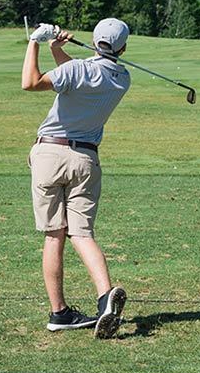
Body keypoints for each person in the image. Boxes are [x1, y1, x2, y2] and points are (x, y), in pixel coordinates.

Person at [21, 18, 130, 339]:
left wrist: (35, 43)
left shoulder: (77, 70)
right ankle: (103, 298)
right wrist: (58, 50)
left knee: (54, 235)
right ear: (123, 48)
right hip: (85, 159)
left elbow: (30, 83)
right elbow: (78, 78)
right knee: (82, 234)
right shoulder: (122, 78)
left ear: (95, 41)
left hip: (49, 156)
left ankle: (59, 313)